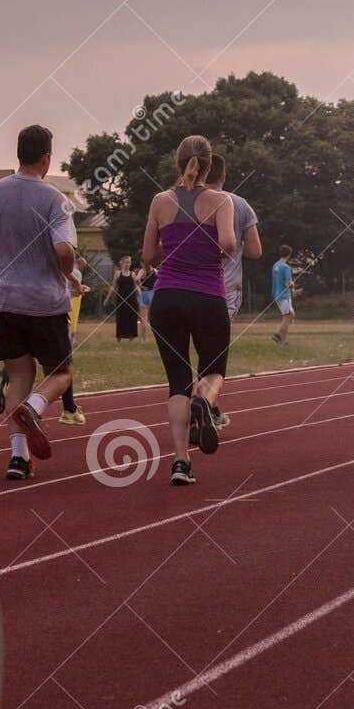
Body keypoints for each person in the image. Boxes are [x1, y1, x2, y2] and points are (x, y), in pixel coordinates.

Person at [0, 125, 77, 482]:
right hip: (43, 301)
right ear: (46, 158)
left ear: (19, 153)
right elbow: (64, 250)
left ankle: (18, 457)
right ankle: (35, 406)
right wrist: (69, 275)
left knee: (18, 375)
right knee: (60, 373)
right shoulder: (55, 199)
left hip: (0, 300)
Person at [143, 135, 236, 486]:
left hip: (166, 298)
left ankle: (181, 462)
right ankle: (204, 402)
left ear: (177, 162)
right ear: (209, 166)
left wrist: (174, 250)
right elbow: (228, 243)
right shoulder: (221, 200)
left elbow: (147, 255)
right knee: (213, 370)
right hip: (207, 296)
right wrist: (211, 250)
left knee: (177, 381)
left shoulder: (159, 201)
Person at [206, 153, 261, 319]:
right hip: (227, 286)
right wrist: (235, 245)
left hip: (192, 285)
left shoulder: (188, 202)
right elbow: (255, 251)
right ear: (223, 176)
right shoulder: (241, 204)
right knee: (217, 335)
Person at [60, 260, 89, 426]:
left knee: (22, 370)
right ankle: (68, 408)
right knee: (64, 367)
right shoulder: (71, 271)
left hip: (18, 308)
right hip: (53, 313)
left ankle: (6, 376)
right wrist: (77, 286)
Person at [108, 255, 141, 341]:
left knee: (132, 318)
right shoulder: (117, 273)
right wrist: (108, 298)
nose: (127, 264)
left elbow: (136, 286)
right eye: (126, 262)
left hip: (132, 300)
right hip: (120, 299)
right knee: (120, 318)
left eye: (129, 262)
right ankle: (119, 337)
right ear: (122, 263)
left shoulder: (133, 274)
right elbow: (113, 286)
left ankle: (131, 337)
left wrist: (140, 294)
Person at [270, 246, 295, 344]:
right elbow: (289, 283)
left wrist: (273, 294)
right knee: (288, 316)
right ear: (289, 254)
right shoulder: (286, 267)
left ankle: (282, 341)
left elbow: (274, 281)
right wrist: (293, 285)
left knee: (291, 315)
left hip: (277, 295)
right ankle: (277, 335)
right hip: (284, 295)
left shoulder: (275, 265)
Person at [138, 265, 156, 341]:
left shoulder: (142, 271)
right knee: (155, 317)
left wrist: (141, 286)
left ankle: (144, 339)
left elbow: (136, 279)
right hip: (154, 294)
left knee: (144, 319)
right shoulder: (155, 271)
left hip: (145, 293)